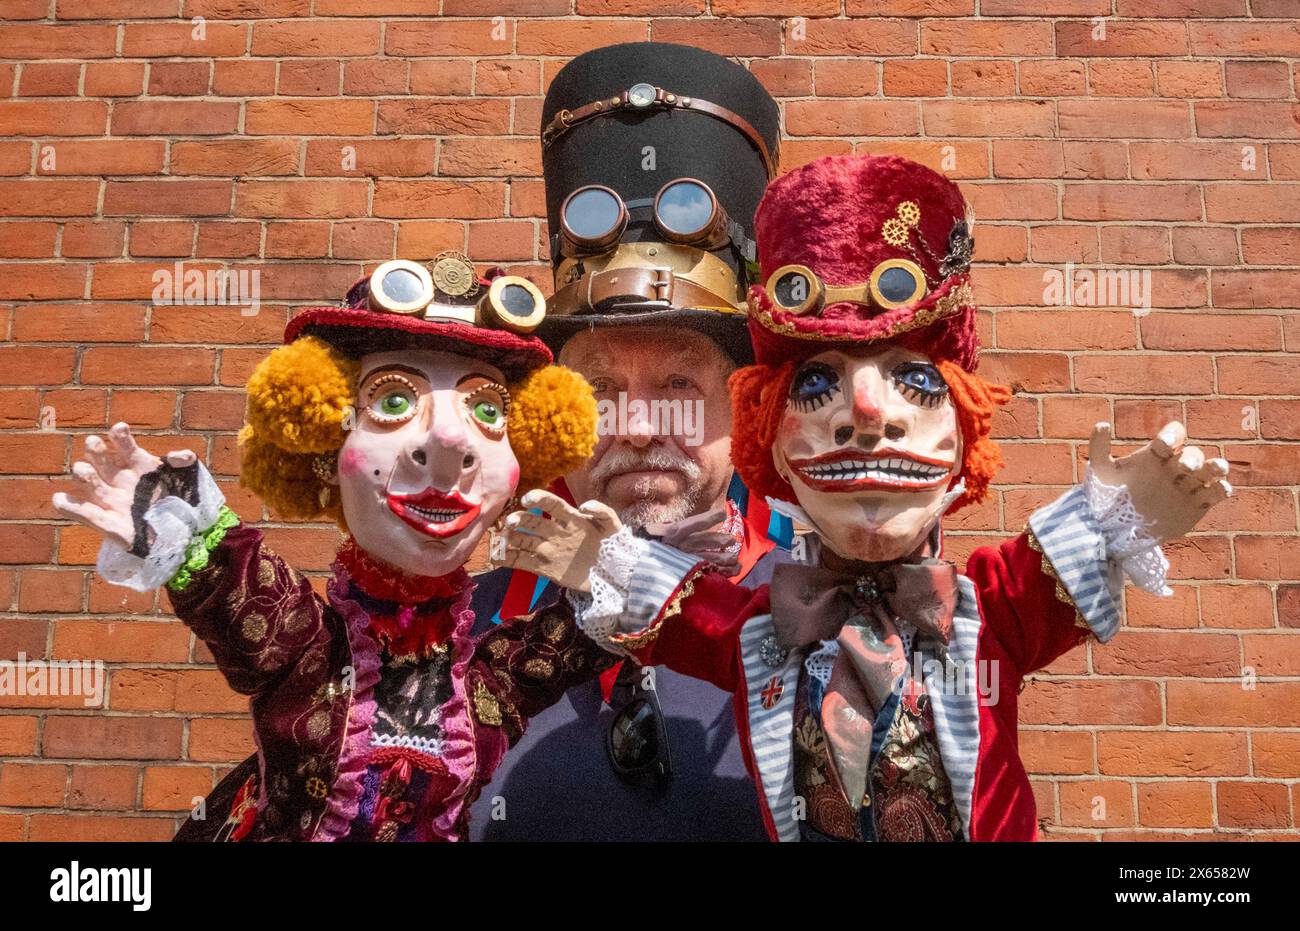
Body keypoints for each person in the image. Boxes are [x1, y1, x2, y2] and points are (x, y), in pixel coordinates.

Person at [497, 153, 1234, 841]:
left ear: (965, 425)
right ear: (774, 440)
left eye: (913, 380)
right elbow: (682, 606)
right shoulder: (765, 629)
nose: (867, 412)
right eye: (818, 386)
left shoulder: (990, 611)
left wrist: (1132, 513)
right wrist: (597, 556)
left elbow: (1072, 557)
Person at [52, 253, 611, 842]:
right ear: (326, 444)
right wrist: (181, 527)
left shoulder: (491, 682)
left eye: (488, 410)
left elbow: (603, 626)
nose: (450, 439)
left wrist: (607, 576)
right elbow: (234, 583)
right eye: (393, 401)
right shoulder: (303, 646)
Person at [468, 42, 787, 841]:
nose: (641, 428)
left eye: (681, 385)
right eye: (601, 391)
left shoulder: (828, 619)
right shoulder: (457, 639)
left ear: (742, 404)